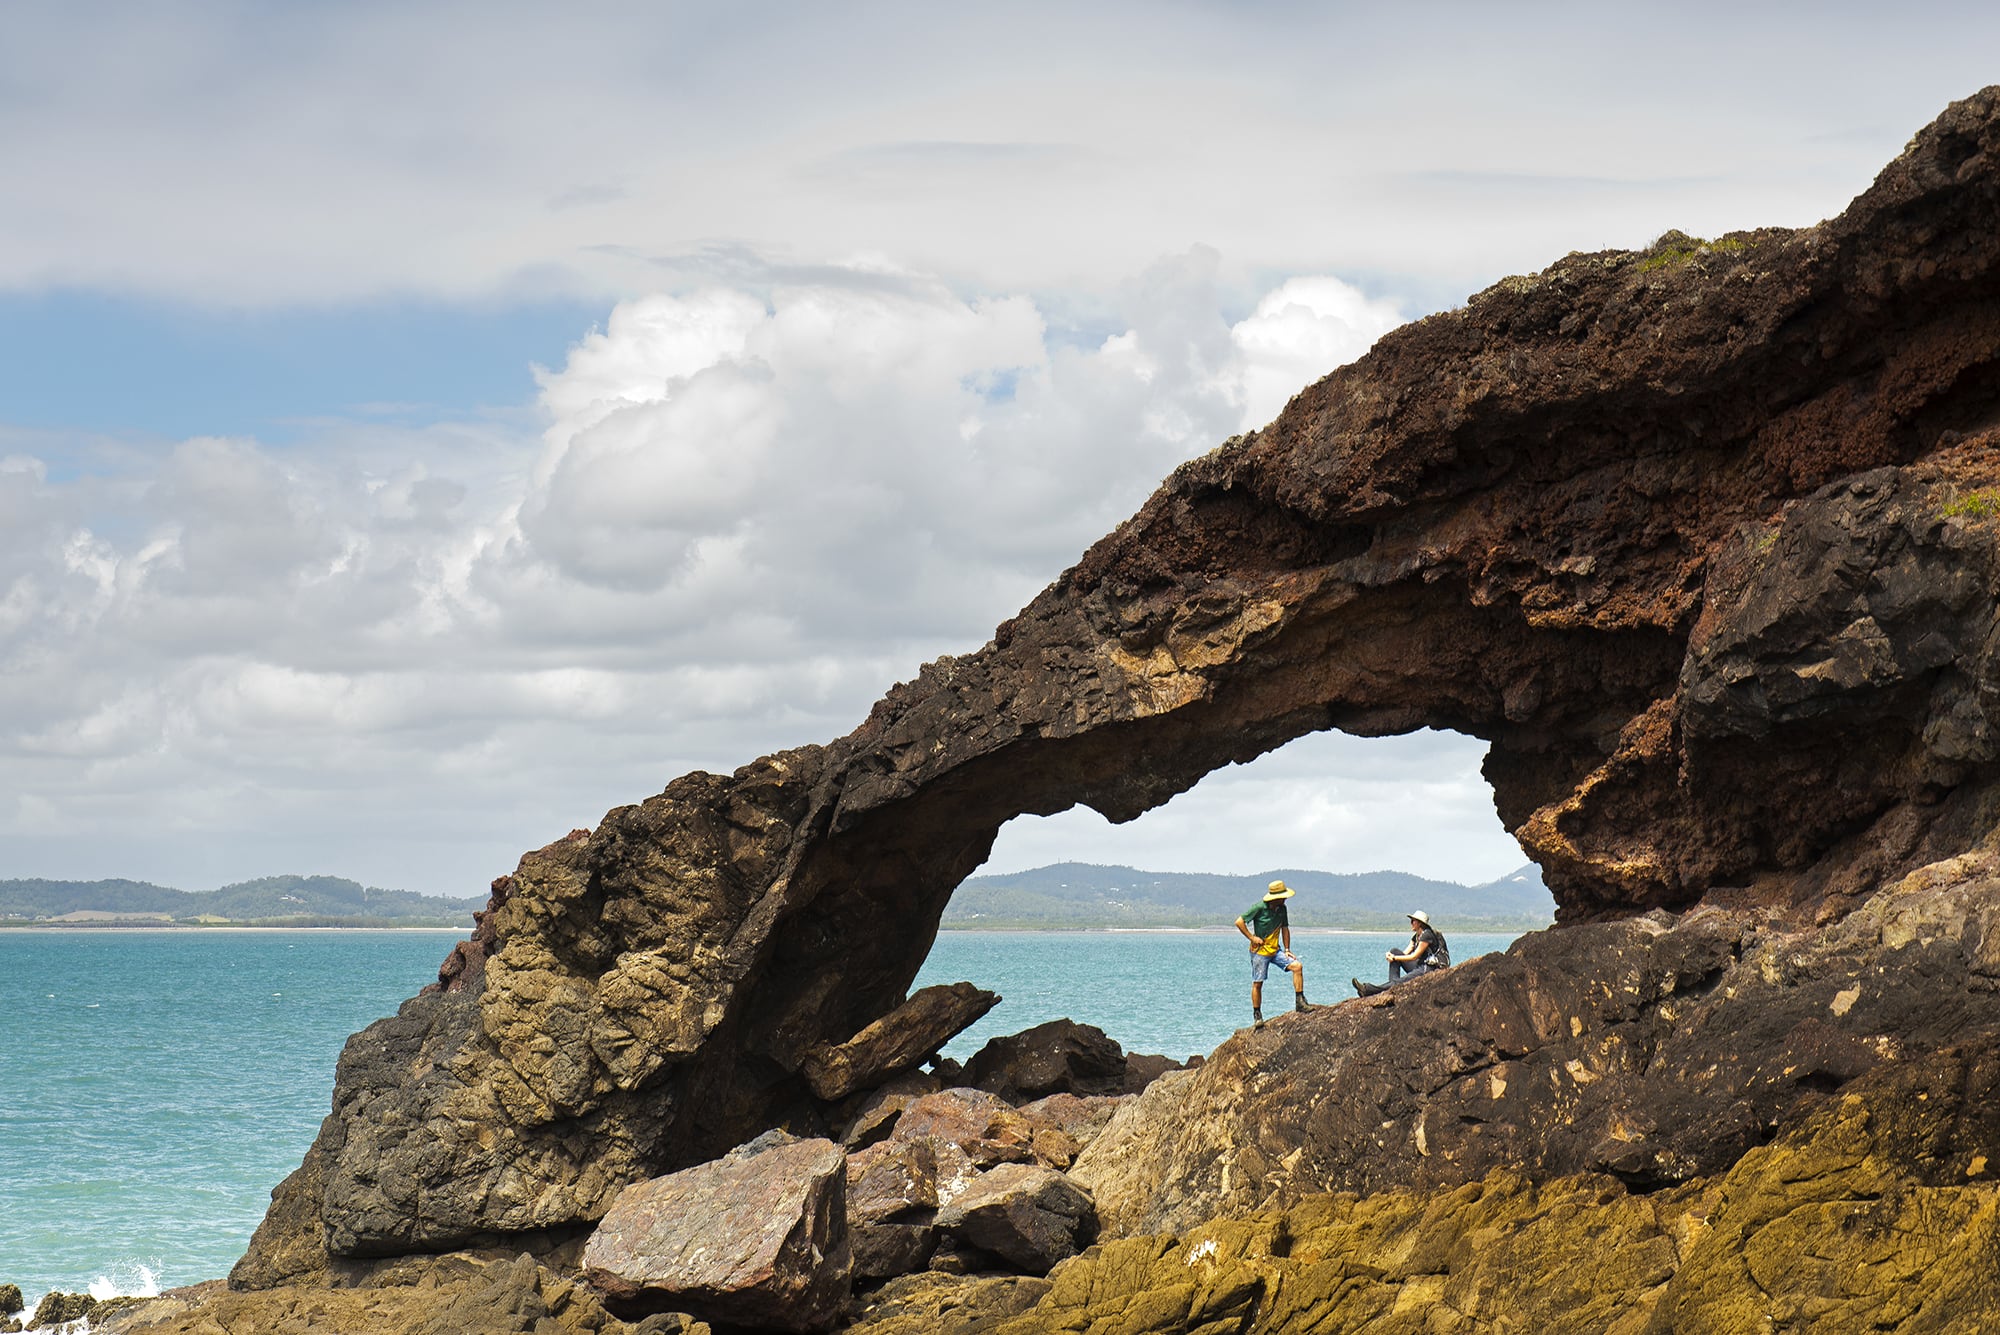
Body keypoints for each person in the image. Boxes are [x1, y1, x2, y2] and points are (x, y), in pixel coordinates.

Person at [1235, 880, 1311, 1027]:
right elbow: (1239, 921)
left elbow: (1285, 928)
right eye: (1283, 896)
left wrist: (1287, 949)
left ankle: (1300, 1002)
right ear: (1275, 897)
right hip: (1259, 951)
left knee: (1297, 966)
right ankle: (1257, 1015)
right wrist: (1251, 937)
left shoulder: (1282, 909)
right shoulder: (1259, 907)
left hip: (1275, 950)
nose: (1285, 899)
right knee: (1258, 983)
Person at [1352, 910, 1450, 996]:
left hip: (1428, 968)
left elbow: (1414, 956)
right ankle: (1392, 985)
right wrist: (1392, 956)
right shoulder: (1416, 936)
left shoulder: (1427, 935)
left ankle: (1367, 989)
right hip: (1419, 965)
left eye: (1413, 921)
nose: (1411, 923)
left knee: (1399, 981)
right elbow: (1405, 953)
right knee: (1394, 951)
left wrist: (1395, 958)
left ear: (1419, 923)